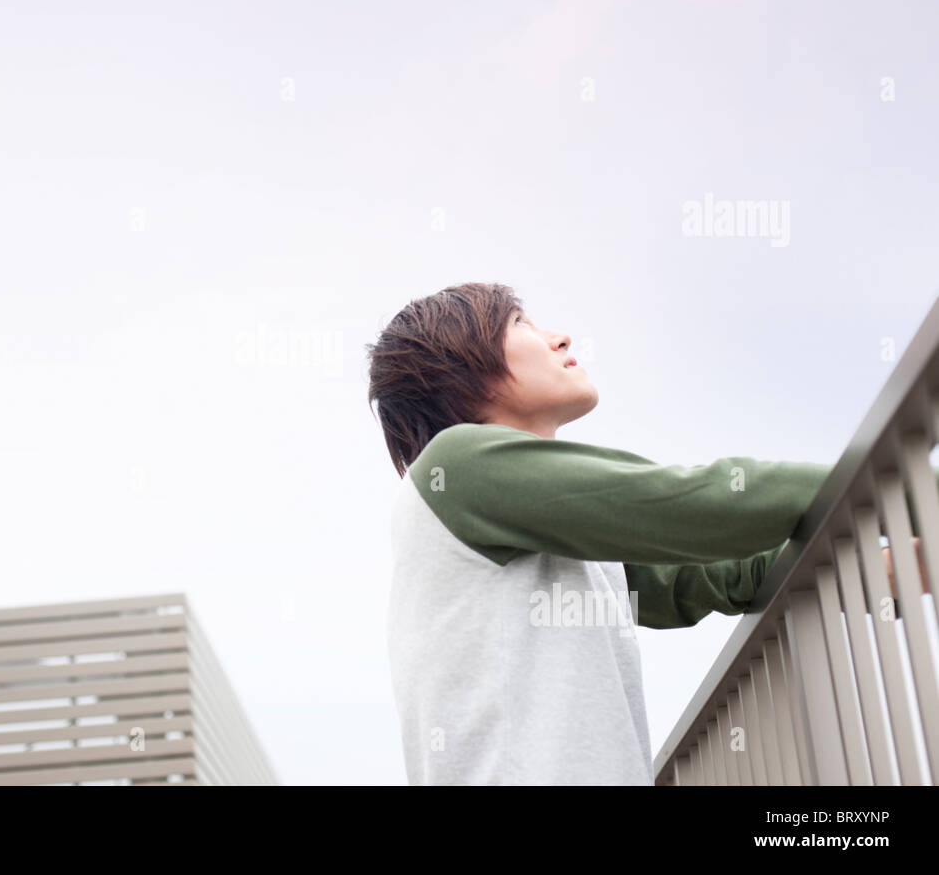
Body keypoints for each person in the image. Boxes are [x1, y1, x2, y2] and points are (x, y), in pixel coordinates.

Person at [365, 281, 931, 785]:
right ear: (460, 369)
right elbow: (691, 505)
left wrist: (887, 566)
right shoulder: (457, 467)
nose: (559, 338)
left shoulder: (538, 527)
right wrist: (898, 483)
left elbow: (708, 577)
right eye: (521, 325)